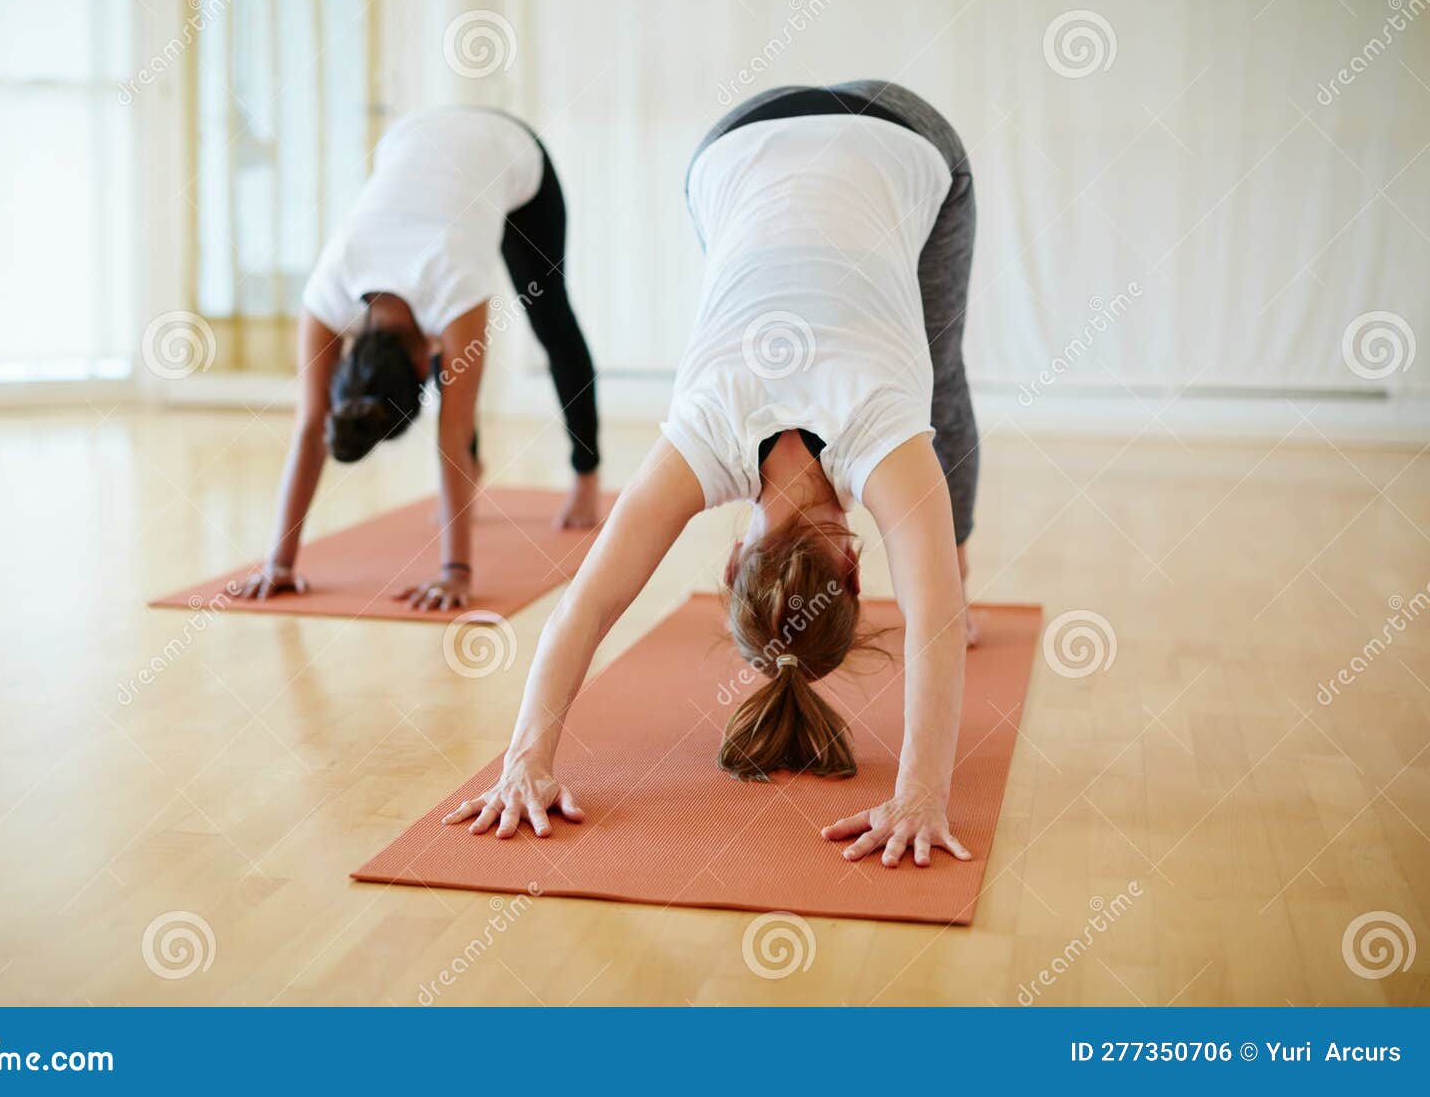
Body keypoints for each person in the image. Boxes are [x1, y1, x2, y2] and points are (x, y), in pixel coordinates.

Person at [444, 81, 980, 869]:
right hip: (728, 150)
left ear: (858, 571)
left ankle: (955, 547)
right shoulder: (704, 432)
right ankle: (954, 545)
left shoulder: (886, 438)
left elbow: (937, 618)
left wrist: (923, 794)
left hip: (901, 136)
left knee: (934, 374)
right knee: (931, 361)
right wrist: (525, 759)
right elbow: (584, 607)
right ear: (731, 564)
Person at [234, 107, 602, 610]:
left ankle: (586, 473)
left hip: (507, 149)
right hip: (414, 139)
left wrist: (457, 573)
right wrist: (278, 562)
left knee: (550, 318)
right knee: (464, 371)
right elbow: (311, 426)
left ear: (421, 357)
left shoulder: (452, 283)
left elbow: (453, 427)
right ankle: (474, 472)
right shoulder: (329, 289)